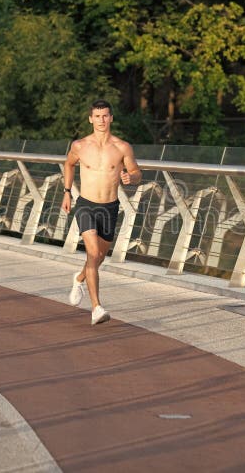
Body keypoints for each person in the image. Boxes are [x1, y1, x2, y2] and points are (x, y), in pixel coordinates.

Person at [61, 99, 142, 325]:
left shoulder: (122, 147)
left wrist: (131, 177)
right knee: (93, 252)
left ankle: (78, 278)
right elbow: (68, 164)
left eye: (105, 116)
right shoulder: (80, 146)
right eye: (97, 116)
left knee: (97, 258)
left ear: (111, 118)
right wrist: (67, 191)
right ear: (90, 119)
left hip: (110, 207)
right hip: (86, 204)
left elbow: (136, 172)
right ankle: (96, 308)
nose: (101, 120)